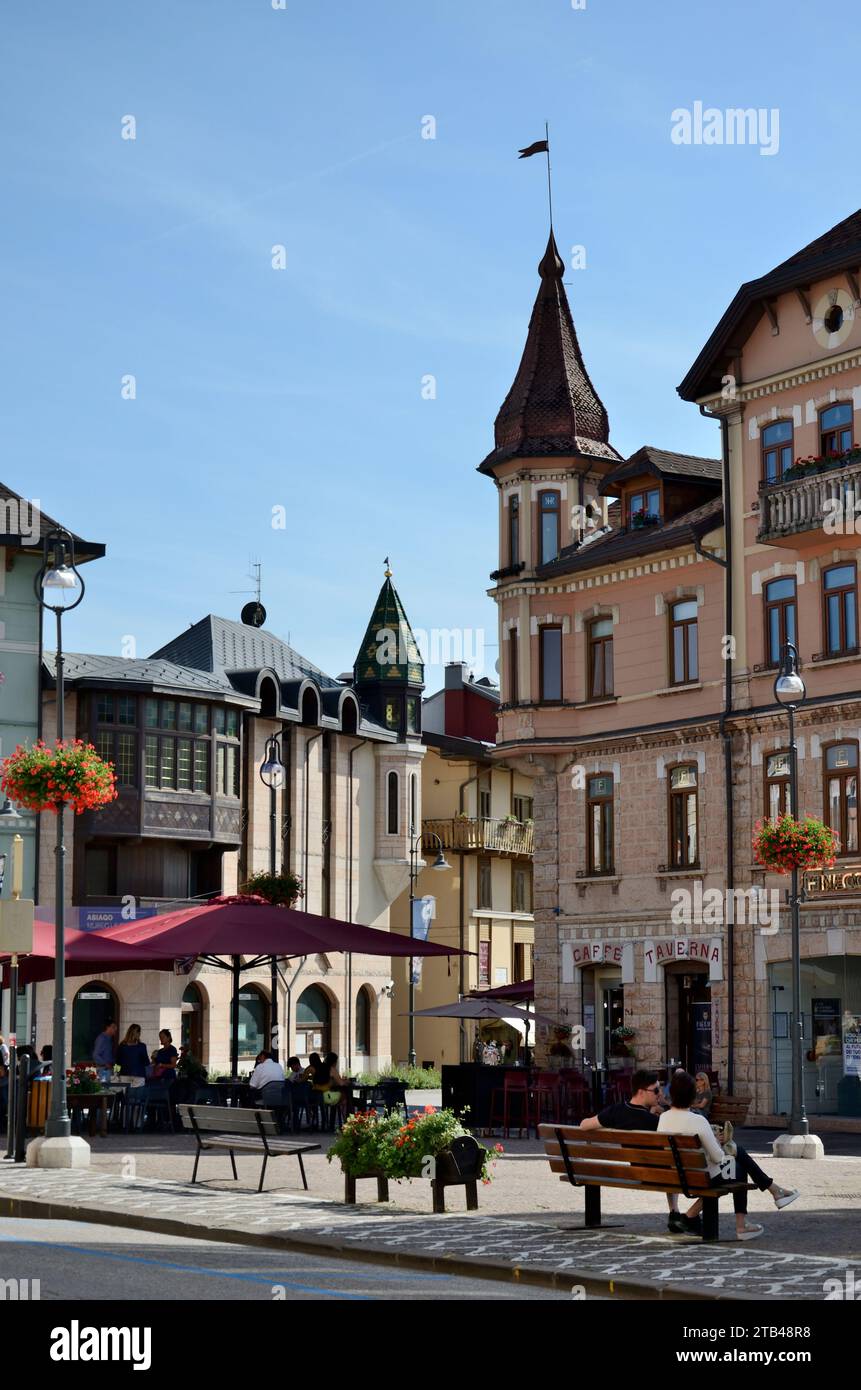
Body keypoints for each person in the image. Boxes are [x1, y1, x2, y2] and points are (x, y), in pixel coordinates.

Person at [658, 1070, 798, 1241]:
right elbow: (717, 1158)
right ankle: (743, 1222)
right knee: (739, 1168)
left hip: (676, 1177)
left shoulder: (663, 1118)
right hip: (702, 1177)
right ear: (692, 1095)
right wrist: (716, 1141)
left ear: (672, 1095)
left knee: (739, 1154)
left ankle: (773, 1191)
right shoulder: (698, 1120)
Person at [580, 1070, 688, 1234]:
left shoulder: (616, 1111)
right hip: (664, 1176)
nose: (659, 1094)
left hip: (635, 1172)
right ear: (641, 1091)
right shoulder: (655, 1121)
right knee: (673, 1160)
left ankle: (675, 1211)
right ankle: (674, 1211)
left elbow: (584, 1125)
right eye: (656, 1090)